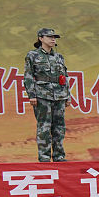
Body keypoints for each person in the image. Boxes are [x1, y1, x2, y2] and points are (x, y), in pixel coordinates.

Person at [24, 28, 69, 162]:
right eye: (49, 37)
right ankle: (44, 158)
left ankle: (59, 157)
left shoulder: (59, 57)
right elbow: (28, 76)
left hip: (59, 95)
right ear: (41, 38)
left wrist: (67, 96)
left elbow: (64, 77)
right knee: (44, 126)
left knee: (59, 127)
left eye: (54, 37)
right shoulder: (33, 55)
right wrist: (31, 95)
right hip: (42, 95)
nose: (53, 39)